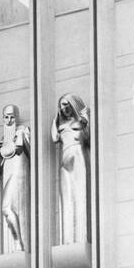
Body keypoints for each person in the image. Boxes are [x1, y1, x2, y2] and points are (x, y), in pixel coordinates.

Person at [50, 93, 90, 244]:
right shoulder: (61, 124)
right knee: (66, 200)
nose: (64, 108)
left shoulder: (81, 122)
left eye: (67, 104)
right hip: (64, 161)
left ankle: (81, 237)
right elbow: (54, 138)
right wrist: (55, 119)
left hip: (78, 156)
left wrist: (87, 119)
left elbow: (88, 137)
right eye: (61, 105)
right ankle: (67, 239)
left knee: (79, 196)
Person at [0, 103, 31, 252]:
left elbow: (30, 152)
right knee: (7, 209)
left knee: (7, 207)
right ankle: (15, 242)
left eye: (12, 117)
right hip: (7, 173)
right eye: (6, 117)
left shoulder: (22, 130)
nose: (9, 120)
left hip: (18, 172)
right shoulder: (4, 139)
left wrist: (22, 139)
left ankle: (19, 243)